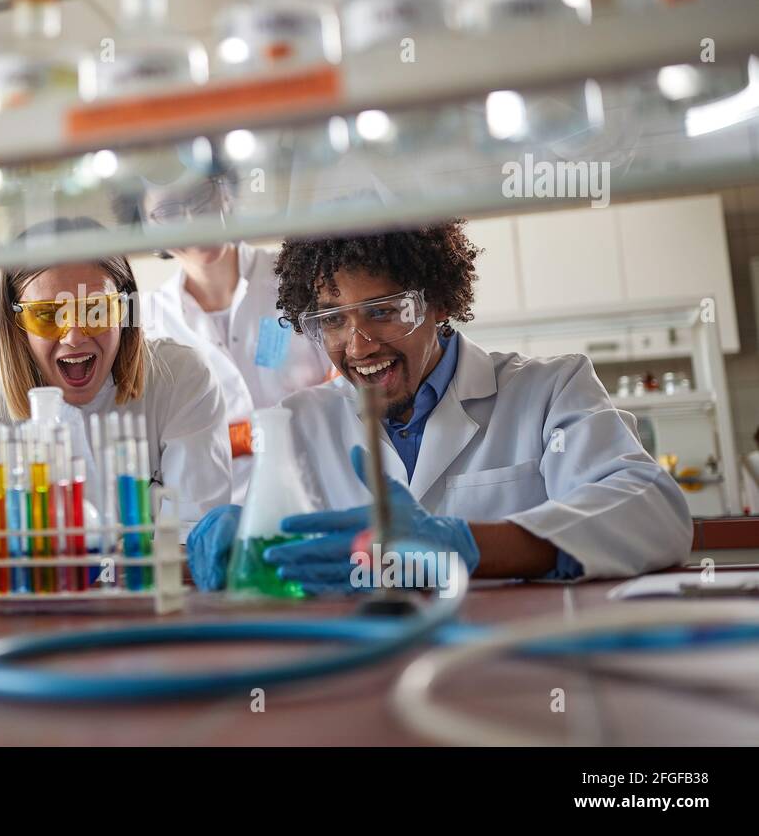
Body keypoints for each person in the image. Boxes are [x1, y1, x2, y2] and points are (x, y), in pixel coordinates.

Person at [187, 222, 692, 592]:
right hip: (361, 683)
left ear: (440, 302)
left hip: (512, 672)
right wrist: (232, 533)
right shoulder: (300, 423)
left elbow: (653, 510)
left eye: (383, 312)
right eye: (334, 321)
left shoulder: (549, 389)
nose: (358, 346)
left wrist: (461, 546)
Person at [0, 218, 231, 536]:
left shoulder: (179, 376)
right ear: (16, 323)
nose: (74, 337)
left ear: (125, 306)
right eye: (48, 315)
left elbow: (193, 536)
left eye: (96, 310)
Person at [131, 169, 338, 502]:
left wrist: (243, 435)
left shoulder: (297, 277)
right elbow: (162, 442)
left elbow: (351, 382)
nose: (193, 220)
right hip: (225, 513)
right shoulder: (149, 321)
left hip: (328, 494)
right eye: (169, 212)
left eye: (202, 198)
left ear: (227, 193)